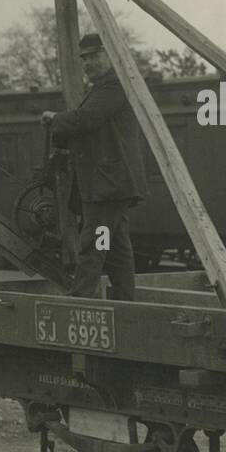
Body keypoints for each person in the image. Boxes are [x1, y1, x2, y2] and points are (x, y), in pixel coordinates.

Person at [41, 32, 147, 301]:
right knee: (116, 245)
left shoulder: (114, 85)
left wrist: (55, 120)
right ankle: (125, 300)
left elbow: (87, 119)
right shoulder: (104, 87)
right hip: (108, 182)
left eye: (93, 56)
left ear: (109, 55)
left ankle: (80, 300)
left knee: (94, 243)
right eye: (84, 58)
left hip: (107, 183)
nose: (87, 63)